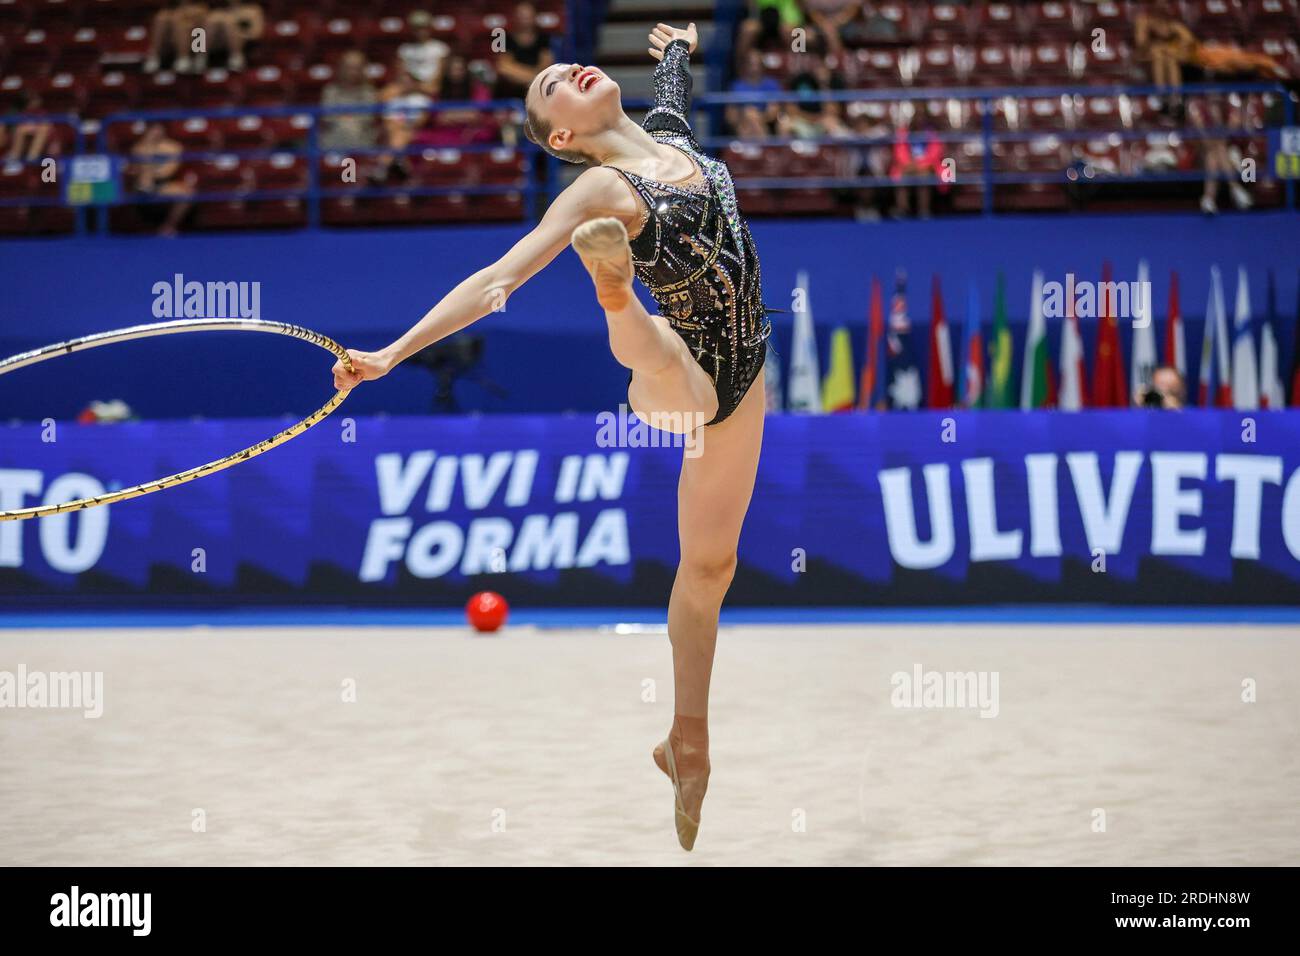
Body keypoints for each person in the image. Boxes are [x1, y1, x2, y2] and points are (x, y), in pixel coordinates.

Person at [331, 24, 769, 851]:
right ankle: (614, 291)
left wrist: (676, 47)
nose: (566, 70)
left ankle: (687, 742)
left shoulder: (674, 141)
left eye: (564, 69)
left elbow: (671, 90)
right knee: (666, 364)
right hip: (674, 378)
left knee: (711, 568)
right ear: (561, 137)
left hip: (748, 372)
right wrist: (390, 355)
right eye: (549, 87)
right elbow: (497, 279)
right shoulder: (595, 188)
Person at [130, 122, 195, 237]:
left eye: (158, 129)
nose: (156, 132)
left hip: (163, 183)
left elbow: (168, 170)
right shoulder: (140, 146)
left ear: (164, 131)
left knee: (188, 193)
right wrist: (148, 145)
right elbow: (136, 168)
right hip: (141, 184)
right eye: (153, 129)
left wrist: (152, 169)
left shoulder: (174, 147)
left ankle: (167, 227)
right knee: (145, 175)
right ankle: (146, 191)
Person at [319, 51, 379, 153]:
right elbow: (328, 117)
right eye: (349, 67)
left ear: (362, 70)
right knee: (342, 128)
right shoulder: (330, 91)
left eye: (357, 68)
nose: (353, 72)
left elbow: (367, 118)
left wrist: (345, 116)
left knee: (351, 127)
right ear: (341, 68)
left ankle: (353, 163)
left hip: (361, 136)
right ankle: (338, 164)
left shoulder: (369, 92)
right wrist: (348, 117)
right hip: (334, 137)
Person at [494, 2, 555, 98]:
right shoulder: (502, 36)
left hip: (536, 91)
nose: (524, 19)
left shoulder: (544, 38)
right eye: (521, 15)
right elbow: (503, 67)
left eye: (528, 16)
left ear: (534, 17)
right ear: (515, 17)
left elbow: (545, 66)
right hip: (510, 90)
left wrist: (518, 72)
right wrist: (532, 78)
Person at [726, 49, 781, 138]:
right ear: (745, 65)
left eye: (757, 64)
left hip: (764, 124)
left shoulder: (771, 84)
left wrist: (757, 117)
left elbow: (774, 112)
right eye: (751, 64)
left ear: (763, 65)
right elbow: (730, 116)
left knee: (752, 118)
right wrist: (744, 116)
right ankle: (752, 150)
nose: (755, 67)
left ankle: (761, 149)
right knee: (747, 122)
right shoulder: (736, 86)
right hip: (743, 125)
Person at [198, 0, 264, 72]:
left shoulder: (253, 10)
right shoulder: (218, 12)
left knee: (229, 23)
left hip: (243, 45)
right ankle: (201, 57)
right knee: (214, 20)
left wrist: (239, 34)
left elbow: (256, 34)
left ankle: (236, 57)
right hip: (217, 46)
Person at [398, 11, 450, 96]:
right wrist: (412, 85)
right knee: (385, 95)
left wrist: (421, 87)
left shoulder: (440, 48)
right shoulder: (404, 49)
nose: (420, 31)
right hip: (409, 86)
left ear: (429, 28)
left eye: (423, 27)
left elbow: (440, 76)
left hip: (431, 87)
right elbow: (402, 73)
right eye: (417, 28)